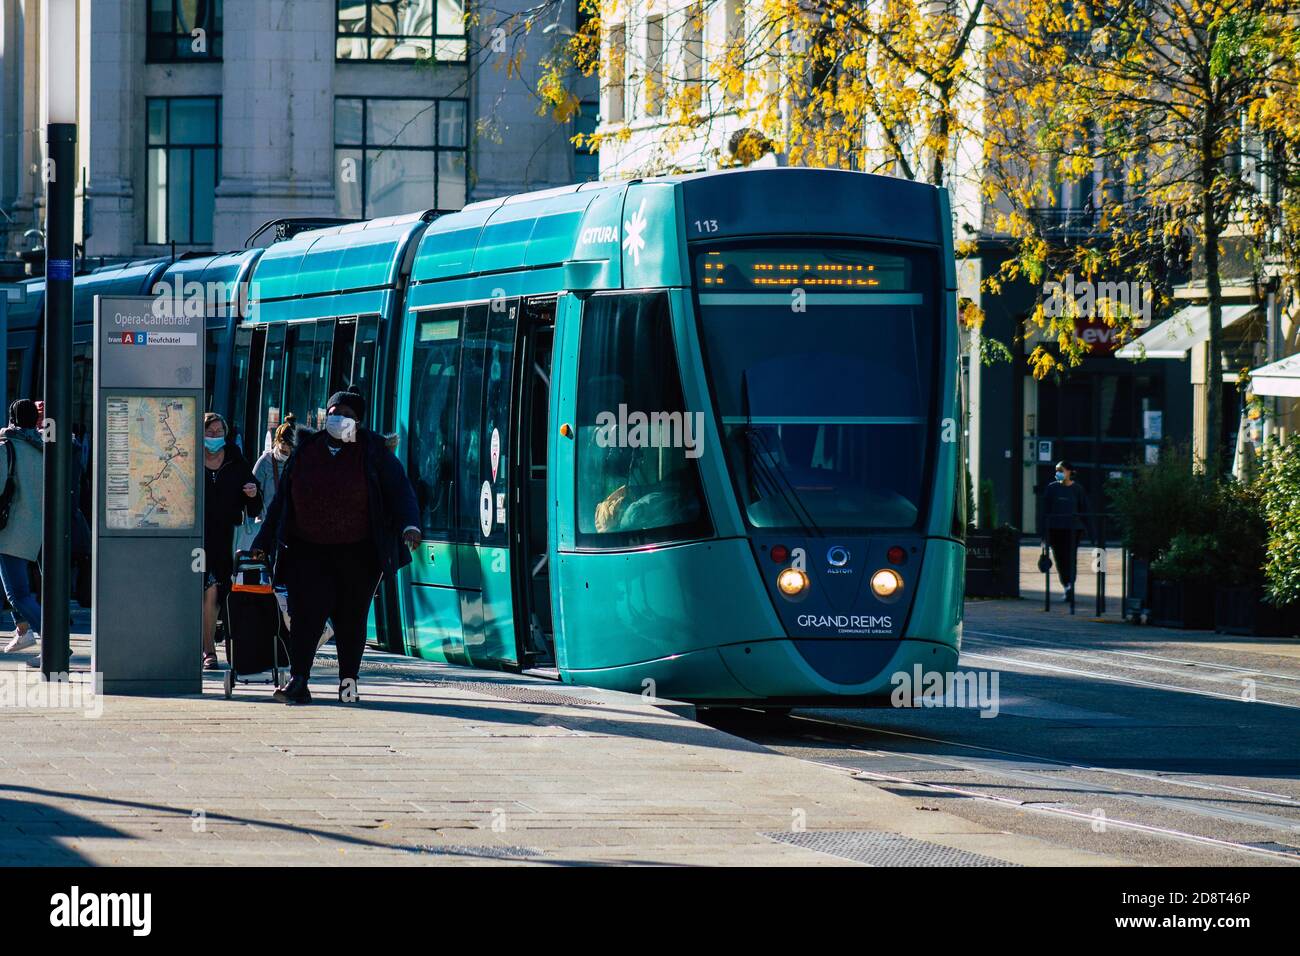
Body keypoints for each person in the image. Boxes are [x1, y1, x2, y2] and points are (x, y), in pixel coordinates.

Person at [253, 387, 420, 705]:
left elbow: (401, 491)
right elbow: (281, 503)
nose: (339, 419)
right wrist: (263, 542)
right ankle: (299, 680)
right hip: (308, 550)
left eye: (347, 415)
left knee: (351, 619)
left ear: (359, 421)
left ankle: (348, 684)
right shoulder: (307, 448)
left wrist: (409, 526)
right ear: (324, 416)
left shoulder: (374, 450)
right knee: (305, 617)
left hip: (358, 553)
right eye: (333, 414)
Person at [203, 412, 262, 670]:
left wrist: (252, 493)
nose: (215, 436)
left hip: (224, 537)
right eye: (210, 431)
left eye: (219, 432)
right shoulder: (189, 457)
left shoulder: (236, 460)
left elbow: (254, 503)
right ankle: (205, 649)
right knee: (202, 590)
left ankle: (208, 651)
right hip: (194, 535)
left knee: (214, 590)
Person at [0, 401, 44, 661]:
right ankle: (23, 629)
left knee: (18, 594)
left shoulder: (8, 449)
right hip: (38, 528)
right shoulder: (42, 448)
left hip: (12, 529)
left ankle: (54, 644)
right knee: (15, 587)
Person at [1040, 460, 1095, 604]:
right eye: (1057, 470)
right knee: (1059, 559)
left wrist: (1092, 533)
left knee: (1071, 558)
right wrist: (1043, 535)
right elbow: (1045, 512)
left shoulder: (1077, 489)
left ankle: (1070, 584)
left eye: (1061, 470)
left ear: (1069, 472)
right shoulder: (1051, 488)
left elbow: (1085, 510)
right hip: (1055, 529)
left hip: (1073, 529)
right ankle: (1066, 585)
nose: (1058, 473)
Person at [251, 415, 297, 521]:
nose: (287, 448)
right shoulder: (265, 462)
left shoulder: (298, 462)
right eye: (284, 443)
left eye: (291, 445)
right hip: (267, 522)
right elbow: (253, 495)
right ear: (276, 441)